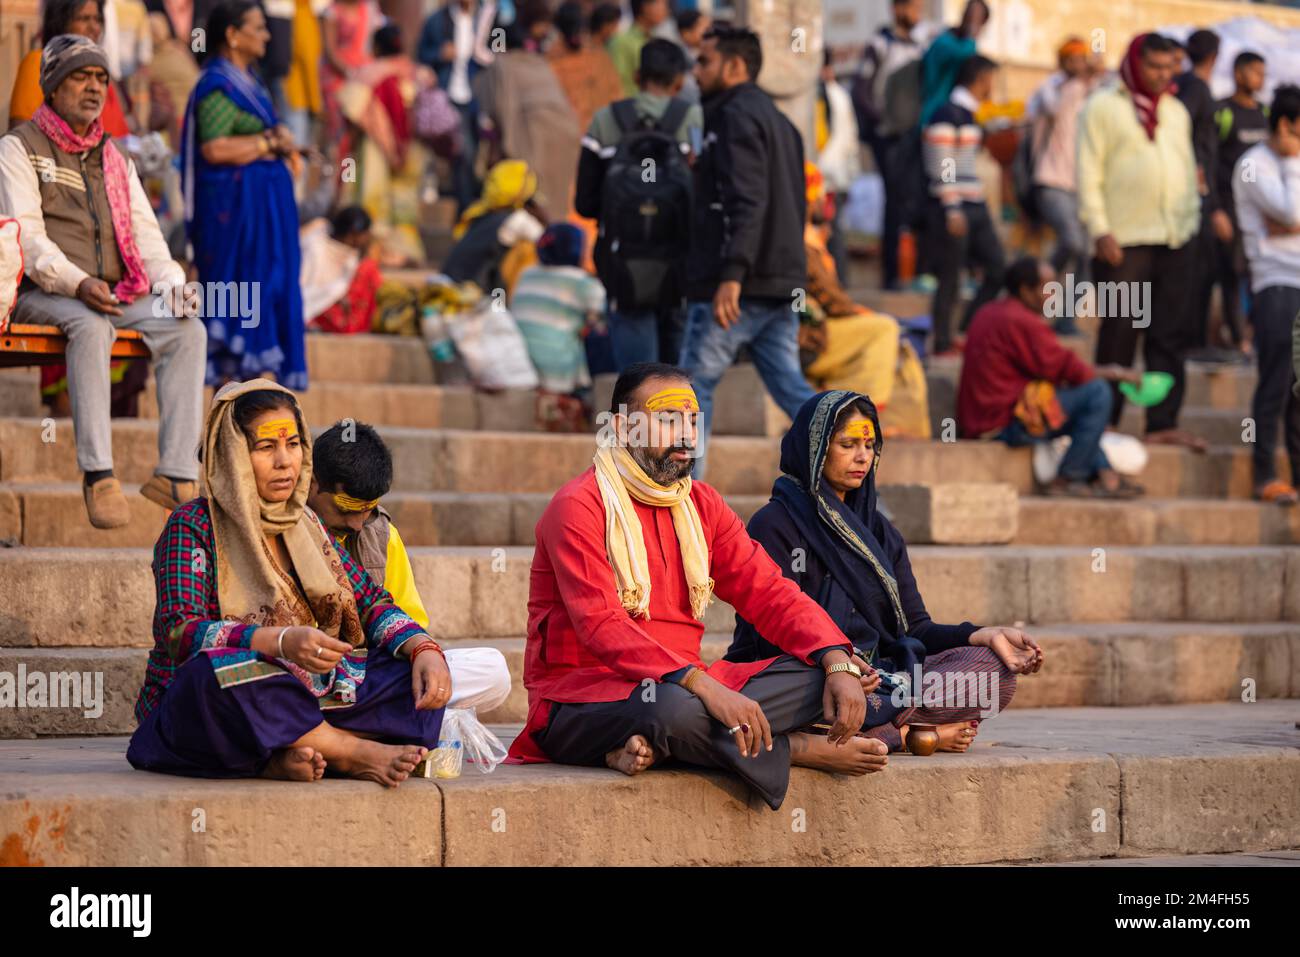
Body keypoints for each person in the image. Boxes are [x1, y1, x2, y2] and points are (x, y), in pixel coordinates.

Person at [508, 362, 889, 810]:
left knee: (822, 678)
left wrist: (835, 658)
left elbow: (767, 590)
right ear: (621, 428)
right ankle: (797, 749)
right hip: (584, 697)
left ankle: (655, 745)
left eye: (692, 420)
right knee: (668, 710)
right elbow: (601, 626)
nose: (686, 435)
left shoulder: (702, 503)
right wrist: (703, 687)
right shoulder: (578, 506)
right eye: (668, 420)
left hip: (689, 686)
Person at [126, 381, 450, 785]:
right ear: (232, 454)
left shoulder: (307, 522)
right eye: (266, 448)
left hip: (308, 690)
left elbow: (372, 603)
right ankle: (348, 752)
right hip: (212, 698)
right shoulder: (193, 525)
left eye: (293, 444)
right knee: (218, 675)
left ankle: (285, 751)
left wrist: (424, 648)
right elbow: (180, 631)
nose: (285, 462)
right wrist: (279, 642)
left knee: (413, 678)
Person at [728, 390, 1038, 753]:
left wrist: (983, 635)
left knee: (992, 672)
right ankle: (909, 734)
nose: (862, 456)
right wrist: (840, 665)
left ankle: (879, 733)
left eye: (870, 445)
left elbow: (916, 628)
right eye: (847, 444)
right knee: (815, 687)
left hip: (883, 681)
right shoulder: (775, 523)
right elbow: (772, 631)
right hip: (807, 672)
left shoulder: (879, 530)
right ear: (815, 450)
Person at [0, 35, 206, 529]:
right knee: (92, 327)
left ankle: (176, 473)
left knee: (186, 329)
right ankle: (98, 475)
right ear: (51, 87)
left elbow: (148, 238)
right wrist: (77, 283)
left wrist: (173, 285)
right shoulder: (18, 147)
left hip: (114, 292)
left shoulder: (114, 157)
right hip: (43, 293)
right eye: (79, 76)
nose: (93, 88)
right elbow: (26, 238)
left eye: (100, 78)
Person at [679, 26, 814, 478]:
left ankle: (684, 507)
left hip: (739, 283)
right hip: (778, 282)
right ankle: (854, 474)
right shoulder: (781, 122)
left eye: (704, 61)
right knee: (793, 391)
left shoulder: (733, 117)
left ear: (735, 66)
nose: (696, 72)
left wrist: (732, 273)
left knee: (689, 395)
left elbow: (747, 199)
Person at [305, 420, 514, 708]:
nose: (356, 525)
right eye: (346, 509)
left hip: (367, 673)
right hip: (301, 675)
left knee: (492, 669)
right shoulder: (292, 530)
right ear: (312, 482)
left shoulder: (380, 535)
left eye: (366, 511)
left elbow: (402, 621)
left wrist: (423, 653)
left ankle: (376, 719)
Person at [1077, 33, 1202, 450]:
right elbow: (1088, 171)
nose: (1163, 75)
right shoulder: (1102, 106)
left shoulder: (1177, 110)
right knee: (1120, 332)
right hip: (1122, 240)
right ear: (1135, 63)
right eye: (1154, 67)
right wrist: (1099, 228)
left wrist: (1191, 222)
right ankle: (1105, 421)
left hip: (1175, 237)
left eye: (1170, 67)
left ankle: (1161, 422)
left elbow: (1185, 169)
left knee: (1168, 335)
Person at [182, 0, 307, 390]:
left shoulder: (252, 80)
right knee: (237, 299)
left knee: (267, 289)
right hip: (233, 217)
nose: (267, 35)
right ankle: (234, 399)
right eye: (258, 27)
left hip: (263, 216)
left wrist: (276, 143)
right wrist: (268, 143)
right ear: (233, 36)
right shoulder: (217, 84)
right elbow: (214, 149)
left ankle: (251, 395)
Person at [959, 257, 1144, 497]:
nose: (1053, 294)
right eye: (1047, 287)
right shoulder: (1019, 320)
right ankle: (1070, 476)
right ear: (1026, 290)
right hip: (1003, 423)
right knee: (1097, 393)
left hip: (987, 418)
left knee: (1078, 410)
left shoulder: (990, 311)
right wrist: (1116, 373)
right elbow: (1065, 368)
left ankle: (1104, 473)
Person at [574, 37, 701, 371]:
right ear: (678, 82)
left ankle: (641, 421)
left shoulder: (605, 120)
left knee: (639, 379)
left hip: (623, 264)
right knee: (680, 376)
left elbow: (585, 203)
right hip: (681, 264)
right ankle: (680, 422)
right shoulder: (694, 120)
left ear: (636, 75)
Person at [800, 162, 930, 438]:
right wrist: (861, 314)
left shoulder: (811, 238)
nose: (826, 204)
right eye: (821, 197)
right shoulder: (801, 242)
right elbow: (833, 302)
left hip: (818, 332)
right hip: (809, 338)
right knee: (884, 328)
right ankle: (860, 414)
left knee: (886, 332)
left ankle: (855, 411)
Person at [1234, 85, 1300, 505]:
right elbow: (1293, 213)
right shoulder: (1252, 166)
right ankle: (1263, 474)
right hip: (1274, 284)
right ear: (1285, 125)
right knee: (1274, 384)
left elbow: (1289, 218)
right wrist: (1292, 162)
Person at [922, 53, 1004, 356]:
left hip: (975, 201)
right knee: (950, 276)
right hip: (955, 205)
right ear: (981, 79)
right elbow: (941, 162)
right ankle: (943, 341)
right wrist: (951, 206)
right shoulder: (947, 114)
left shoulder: (969, 115)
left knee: (997, 268)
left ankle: (965, 330)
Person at [852, 0, 935, 290]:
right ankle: (891, 277)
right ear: (898, 9)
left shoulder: (922, 46)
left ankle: (920, 273)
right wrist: (881, 122)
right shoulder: (879, 44)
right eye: (912, 7)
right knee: (894, 203)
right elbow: (861, 91)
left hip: (915, 136)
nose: (917, 14)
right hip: (889, 138)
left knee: (920, 200)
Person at [336, 23, 434, 265]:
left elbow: (352, 111)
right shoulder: (419, 74)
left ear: (377, 46)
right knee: (404, 202)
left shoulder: (368, 75)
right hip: (413, 149)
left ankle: (374, 252)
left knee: (373, 197)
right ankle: (404, 252)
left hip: (374, 148)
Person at [472, 8, 580, 224]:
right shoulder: (540, 63)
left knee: (532, 193)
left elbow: (503, 109)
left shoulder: (502, 65)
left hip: (535, 131)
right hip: (568, 132)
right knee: (556, 196)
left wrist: (506, 145)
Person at [1027, 37, 1098, 334]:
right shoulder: (1050, 89)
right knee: (1072, 242)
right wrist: (1079, 81)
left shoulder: (1091, 92)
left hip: (1082, 185)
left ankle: (1065, 318)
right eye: (1073, 59)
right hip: (1051, 180)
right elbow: (1050, 108)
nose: (1079, 64)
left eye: (1082, 58)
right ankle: (1034, 282)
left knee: (1086, 254)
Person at [1205, 51, 1270, 359]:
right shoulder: (1224, 112)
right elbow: (1211, 162)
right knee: (1232, 273)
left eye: (1263, 73)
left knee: (1257, 273)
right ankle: (1237, 339)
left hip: (1261, 212)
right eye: (1256, 72)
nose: (1261, 79)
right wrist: (1216, 209)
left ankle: (1254, 335)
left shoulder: (1266, 114)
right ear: (1239, 73)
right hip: (1229, 209)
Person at [1176, 29, 1233, 363]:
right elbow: (1191, 143)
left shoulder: (1185, 85)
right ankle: (1193, 342)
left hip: (1193, 192)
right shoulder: (1196, 89)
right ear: (1215, 55)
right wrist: (1210, 202)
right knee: (1201, 270)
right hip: (1198, 195)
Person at [417, 0, 500, 213]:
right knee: (463, 152)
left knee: (478, 152)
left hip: (478, 98)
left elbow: (500, 49)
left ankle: (470, 202)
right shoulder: (437, 21)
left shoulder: (488, 18)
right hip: (449, 96)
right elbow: (421, 54)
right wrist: (439, 54)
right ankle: (466, 207)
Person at [9, 0, 132, 136]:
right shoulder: (38, 63)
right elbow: (21, 137)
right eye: (84, 19)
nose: (94, 28)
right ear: (60, 22)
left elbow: (122, 134)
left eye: (97, 19)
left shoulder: (101, 72)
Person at [510, 223, 606, 396]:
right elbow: (604, 312)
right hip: (556, 370)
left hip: (519, 362)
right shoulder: (581, 282)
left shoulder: (527, 273)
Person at [732, 0, 823, 158]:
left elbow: (802, 25)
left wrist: (794, 57)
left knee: (793, 148)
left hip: (789, 74)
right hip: (754, 71)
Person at [441, 158, 545, 292]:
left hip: (450, 285)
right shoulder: (517, 220)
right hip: (473, 296)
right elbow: (546, 243)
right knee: (527, 251)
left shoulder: (478, 214)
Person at [302, 205, 382, 334]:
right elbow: (307, 291)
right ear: (353, 234)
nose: (368, 238)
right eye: (365, 234)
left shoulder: (349, 254)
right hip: (314, 308)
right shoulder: (316, 248)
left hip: (331, 304)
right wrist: (333, 295)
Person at [548, 1, 624, 133]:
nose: (576, 36)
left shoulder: (598, 56)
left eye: (579, 29)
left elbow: (616, 95)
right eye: (571, 29)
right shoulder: (551, 63)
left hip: (602, 134)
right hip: (570, 136)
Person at [320, 0, 383, 144]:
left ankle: (357, 165)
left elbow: (376, 44)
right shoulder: (332, 12)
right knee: (341, 133)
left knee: (363, 132)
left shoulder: (369, 9)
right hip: (338, 77)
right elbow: (330, 52)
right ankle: (344, 165)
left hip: (364, 77)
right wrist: (351, 74)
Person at [919, 0, 987, 126]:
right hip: (933, 116)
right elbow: (964, 52)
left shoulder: (962, 44)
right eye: (974, 18)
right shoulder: (945, 42)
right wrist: (972, 32)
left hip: (948, 117)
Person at [608, 0, 669, 97]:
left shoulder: (655, 39)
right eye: (660, 3)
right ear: (645, 7)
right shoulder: (622, 42)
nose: (666, 7)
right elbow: (618, 83)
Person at [673, 8, 709, 104]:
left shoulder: (701, 53)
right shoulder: (677, 57)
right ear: (686, 33)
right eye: (705, 29)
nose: (710, 33)